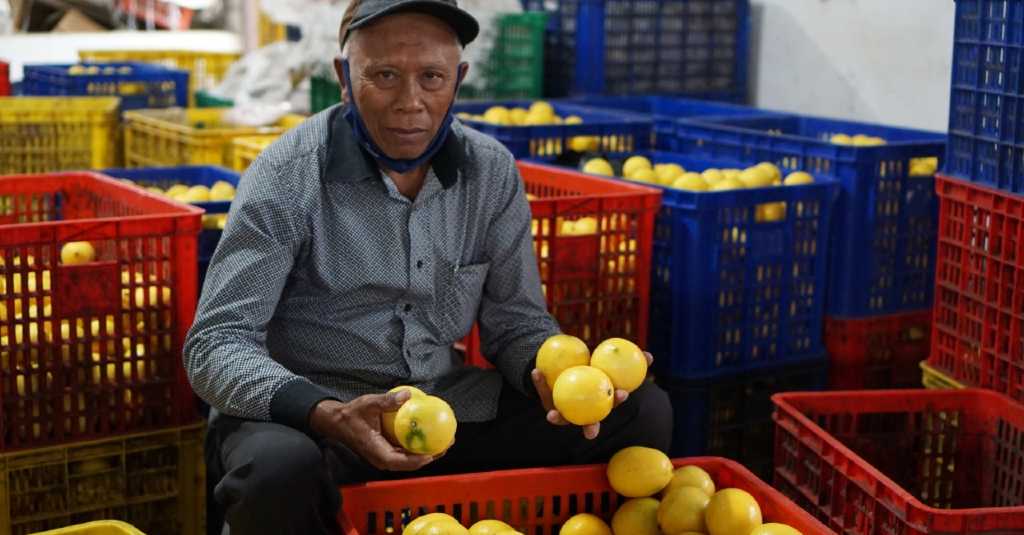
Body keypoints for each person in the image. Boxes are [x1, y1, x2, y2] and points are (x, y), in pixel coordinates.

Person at [184, 1, 673, 534]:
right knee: (277, 471)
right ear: (344, 78)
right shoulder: (287, 175)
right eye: (385, 76)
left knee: (639, 411)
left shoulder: (490, 173)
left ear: (458, 80)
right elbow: (216, 344)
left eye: (432, 77)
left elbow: (517, 321)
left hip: (445, 409)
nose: (410, 103)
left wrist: (552, 377)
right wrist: (323, 410)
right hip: (314, 418)